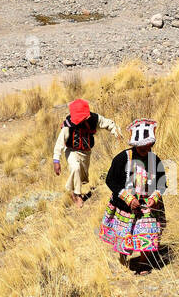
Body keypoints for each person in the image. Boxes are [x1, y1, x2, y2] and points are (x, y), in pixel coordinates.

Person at [98, 119, 166, 272]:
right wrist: (128, 198)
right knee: (124, 235)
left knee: (146, 232)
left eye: (148, 146)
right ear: (135, 145)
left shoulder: (154, 160)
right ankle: (123, 256)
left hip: (146, 206)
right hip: (125, 205)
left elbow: (162, 183)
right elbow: (111, 180)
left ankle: (144, 262)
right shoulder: (122, 158)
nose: (145, 149)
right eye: (142, 146)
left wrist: (154, 198)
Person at [52, 99, 116, 207]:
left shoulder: (94, 119)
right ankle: (77, 195)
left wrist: (116, 132)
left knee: (82, 176)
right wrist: (56, 160)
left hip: (86, 153)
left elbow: (108, 124)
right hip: (71, 151)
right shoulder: (68, 125)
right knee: (75, 168)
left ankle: (73, 191)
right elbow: (59, 143)